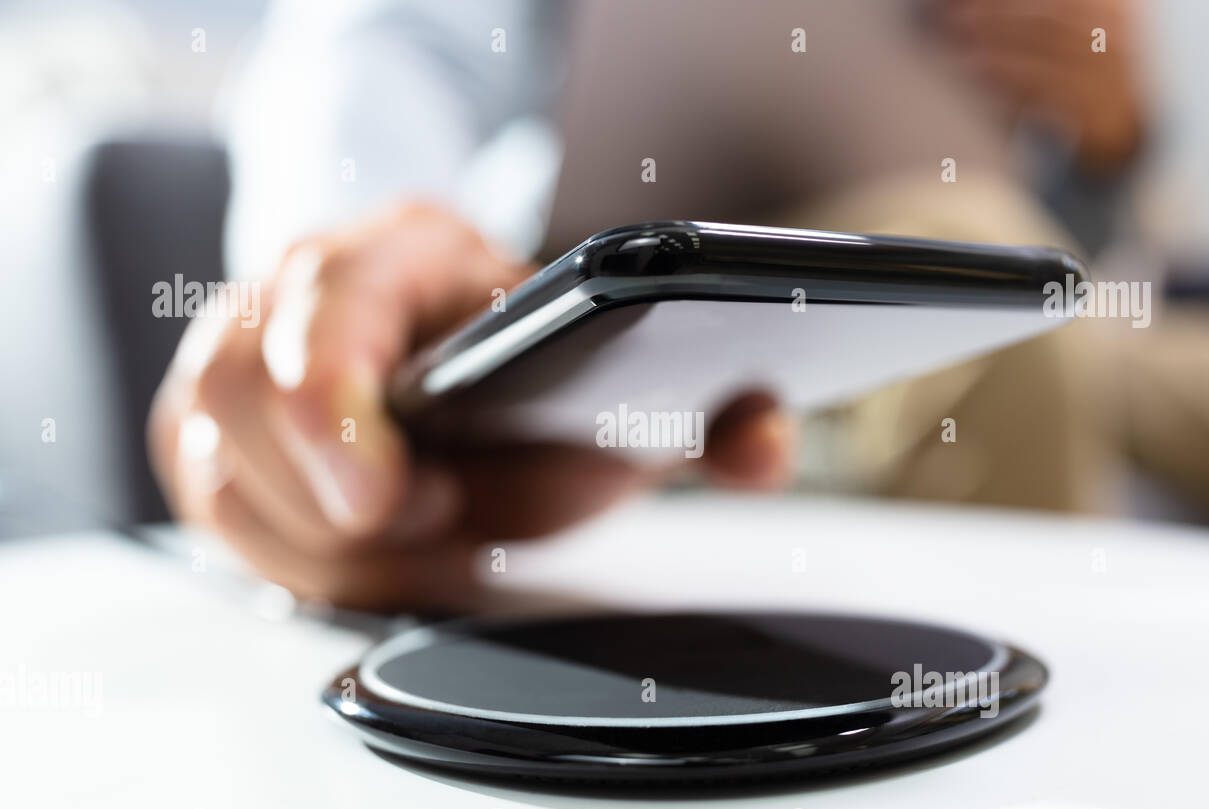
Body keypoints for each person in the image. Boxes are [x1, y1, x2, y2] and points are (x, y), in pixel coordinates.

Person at [149, 0, 1150, 610]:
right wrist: (346, 254)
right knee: (977, 257)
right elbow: (388, 43)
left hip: (974, 292)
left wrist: (1109, 143)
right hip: (618, 277)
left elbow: (1069, 254)